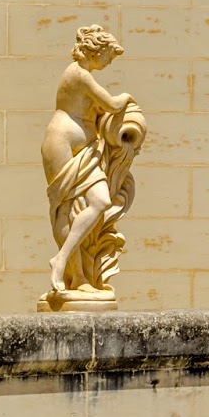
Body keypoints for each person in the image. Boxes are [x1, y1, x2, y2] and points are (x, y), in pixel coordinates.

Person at [40, 25, 144, 299]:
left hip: (83, 145)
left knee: (100, 202)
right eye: (108, 55)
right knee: (64, 207)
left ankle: (61, 260)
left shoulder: (84, 76)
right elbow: (111, 104)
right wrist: (128, 97)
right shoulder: (78, 74)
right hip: (60, 141)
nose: (109, 62)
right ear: (96, 50)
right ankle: (79, 277)